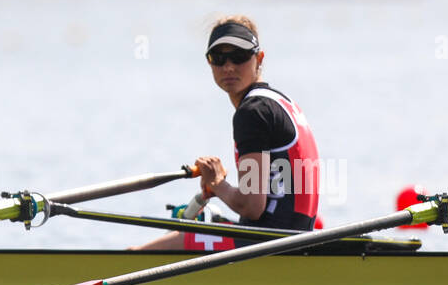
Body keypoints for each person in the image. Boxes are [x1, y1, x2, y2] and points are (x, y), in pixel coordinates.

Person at [132, 16, 321, 251]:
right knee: (204, 223)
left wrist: (217, 183)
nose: (229, 67)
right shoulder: (281, 102)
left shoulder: (253, 113)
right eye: (219, 58)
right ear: (209, 63)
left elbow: (252, 207)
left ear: (259, 58)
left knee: (136, 254)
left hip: (267, 246)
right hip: (296, 236)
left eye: (239, 56)